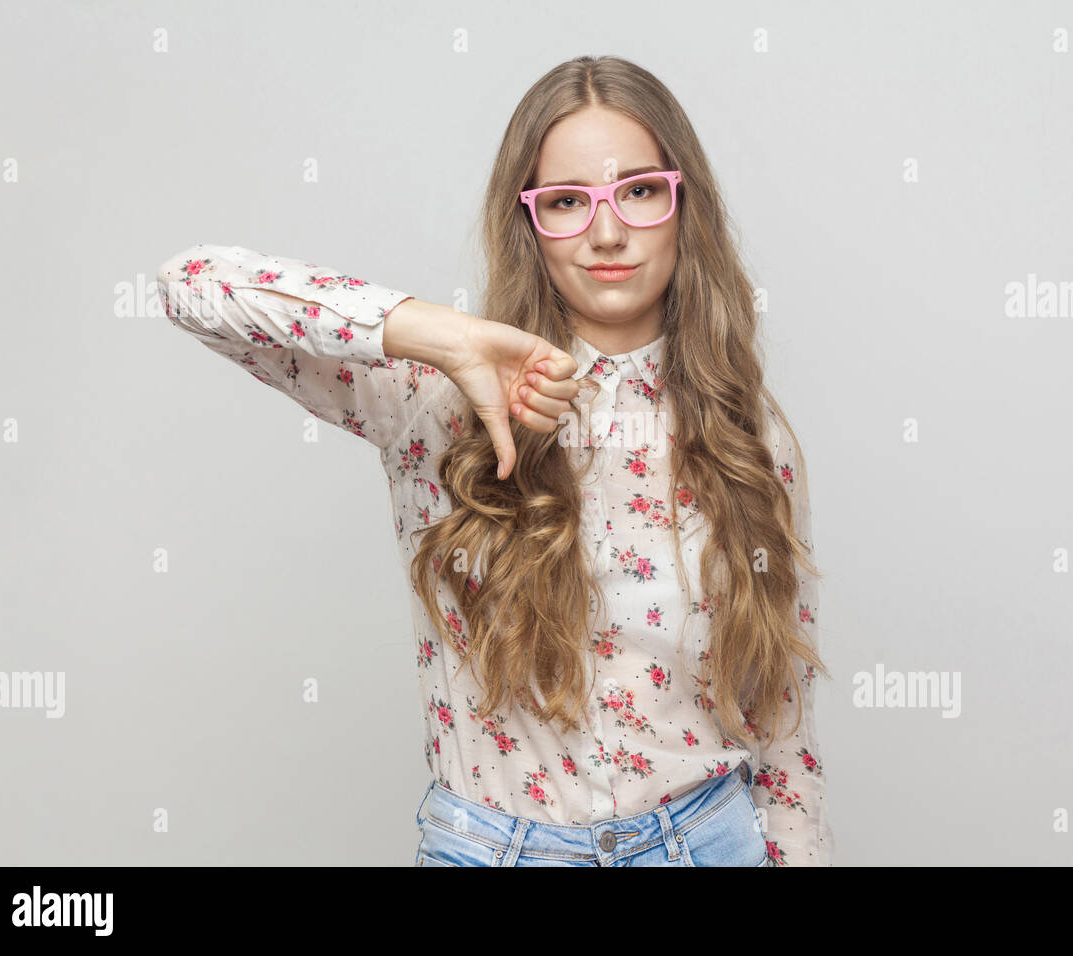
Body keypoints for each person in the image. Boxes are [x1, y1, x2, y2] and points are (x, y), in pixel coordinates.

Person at [155, 54, 831, 867]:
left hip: (707, 842)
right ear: (527, 223)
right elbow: (190, 283)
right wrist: (442, 336)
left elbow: (784, 724)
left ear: (685, 206)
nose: (608, 232)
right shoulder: (434, 398)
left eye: (640, 192)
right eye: (567, 202)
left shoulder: (746, 435)